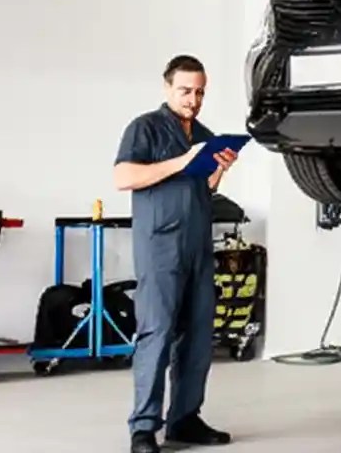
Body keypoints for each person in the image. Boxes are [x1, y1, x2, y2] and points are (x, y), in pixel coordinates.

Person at [113, 55, 240, 453]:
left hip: (198, 244)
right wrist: (181, 161)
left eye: (200, 92)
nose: (193, 99)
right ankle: (144, 427)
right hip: (160, 245)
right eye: (186, 91)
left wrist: (219, 169)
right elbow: (124, 177)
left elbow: (203, 188)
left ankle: (185, 419)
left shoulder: (204, 133)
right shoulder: (145, 128)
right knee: (157, 331)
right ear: (168, 88)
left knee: (199, 334)